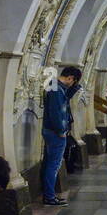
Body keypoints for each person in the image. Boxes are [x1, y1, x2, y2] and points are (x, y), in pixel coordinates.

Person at [41, 64, 81, 206]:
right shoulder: (57, 89)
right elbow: (56, 113)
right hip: (55, 133)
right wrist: (61, 131)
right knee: (54, 165)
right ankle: (49, 197)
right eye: (73, 82)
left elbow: (63, 101)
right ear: (70, 78)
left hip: (51, 131)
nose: (72, 84)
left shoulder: (56, 87)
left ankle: (49, 195)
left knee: (50, 163)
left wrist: (75, 88)